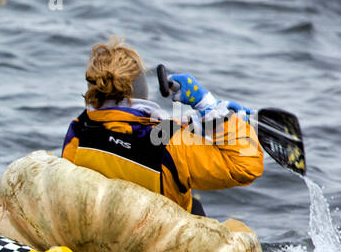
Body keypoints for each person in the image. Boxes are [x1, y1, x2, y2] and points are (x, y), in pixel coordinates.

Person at [61, 37, 264, 216]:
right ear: (141, 90)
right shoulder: (170, 140)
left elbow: (124, 132)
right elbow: (245, 167)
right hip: (156, 247)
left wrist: (196, 124)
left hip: (98, 238)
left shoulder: (79, 130)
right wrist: (208, 106)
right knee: (198, 210)